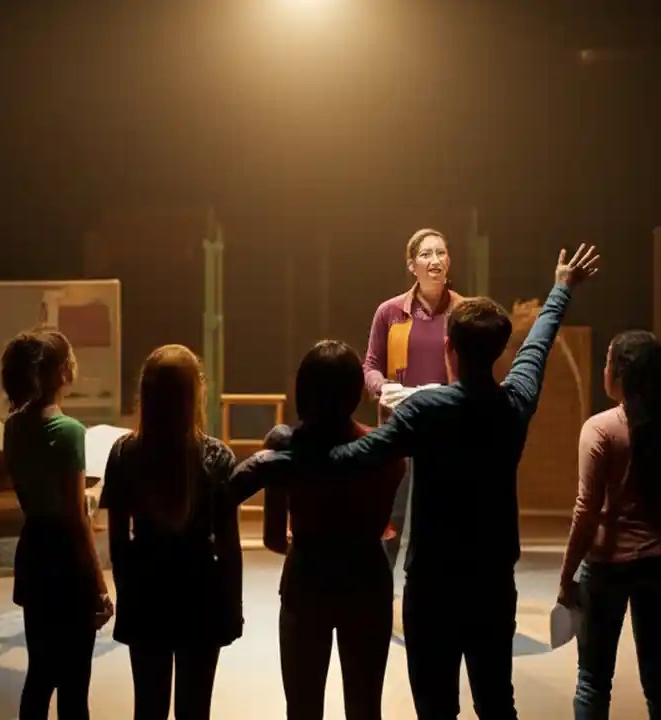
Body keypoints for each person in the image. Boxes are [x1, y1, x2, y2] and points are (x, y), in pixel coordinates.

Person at [248, 244, 598, 718]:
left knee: (435, 709)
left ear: (449, 348)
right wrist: (561, 288)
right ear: (497, 351)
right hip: (492, 582)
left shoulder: (424, 412)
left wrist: (277, 458)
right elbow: (537, 344)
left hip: (433, 585)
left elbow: (354, 457)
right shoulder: (514, 404)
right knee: (497, 703)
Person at [229, 340, 407, 720]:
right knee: (364, 707)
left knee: (303, 708)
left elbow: (274, 539)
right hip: (366, 580)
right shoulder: (383, 453)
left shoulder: (284, 450)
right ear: (356, 392)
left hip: (307, 579)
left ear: (302, 392)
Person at [556, 331, 661, 720]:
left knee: (592, 679)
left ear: (620, 375)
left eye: (608, 361)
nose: (603, 369)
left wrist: (567, 575)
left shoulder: (601, 429)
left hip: (607, 564)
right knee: (659, 674)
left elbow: (586, 511)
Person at [103, 345, 243, 720]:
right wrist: (232, 607)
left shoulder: (124, 454)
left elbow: (117, 540)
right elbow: (230, 547)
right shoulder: (217, 458)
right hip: (201, 592)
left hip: (147, 591)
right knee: (195, 709)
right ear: (195, 393)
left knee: (147, 708)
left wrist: (128, 591)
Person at [1, 330, 114, 720]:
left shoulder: (13, 426)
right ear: (63, 370)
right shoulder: (69, 432)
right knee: (74, 682)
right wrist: (99, 587)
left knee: (40, 672)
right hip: (65, 560)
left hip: (33, 551)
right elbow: (75, 519)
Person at [362, 228, 465, 579]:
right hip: (400, 427)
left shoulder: (465, 311)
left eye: (441, 252)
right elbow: (370, 363)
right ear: (411, 265)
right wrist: (383, 387)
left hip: (448, 431)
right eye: (426, 254)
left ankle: (436, 593)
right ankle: (378, 589)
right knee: (391, 517)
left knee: (440, 517)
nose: (435, 260)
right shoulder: (390, 312)